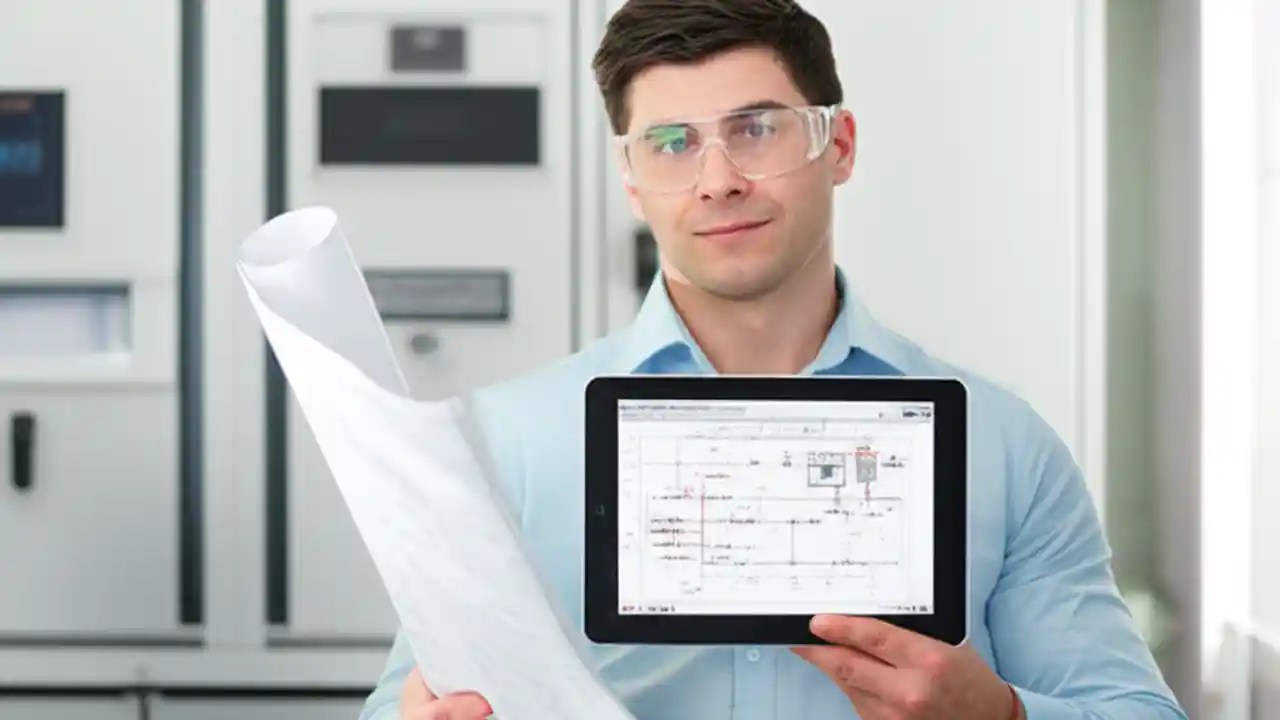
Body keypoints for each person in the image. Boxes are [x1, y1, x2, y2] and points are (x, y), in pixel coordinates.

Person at [359, 1, 1188, 718]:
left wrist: (1000, 716)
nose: (717, 180)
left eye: (755, 129)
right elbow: (405, 701)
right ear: (632, 180)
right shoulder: (504, 444)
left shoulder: (1003, 446)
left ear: (841, 146)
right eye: (673, 142)